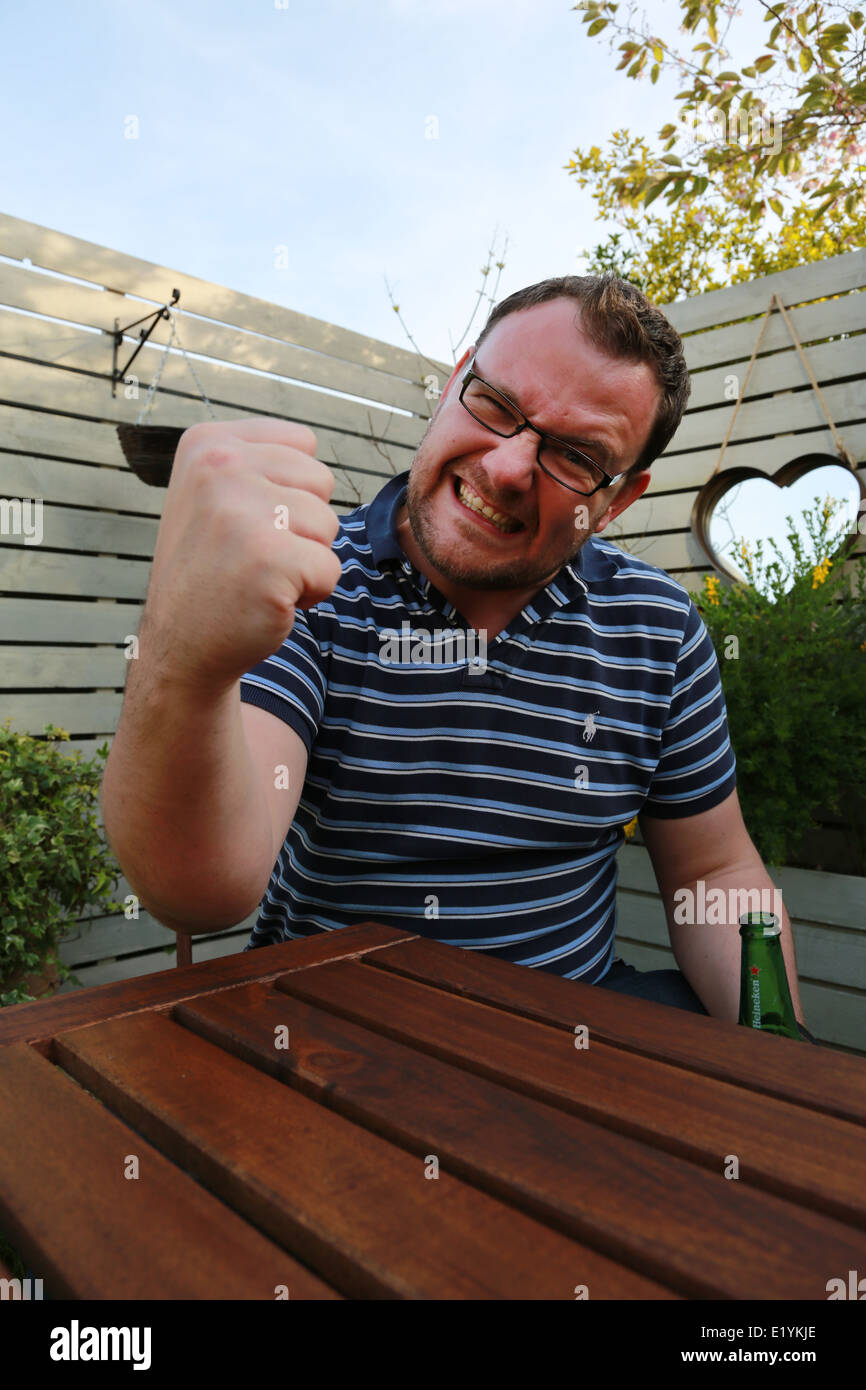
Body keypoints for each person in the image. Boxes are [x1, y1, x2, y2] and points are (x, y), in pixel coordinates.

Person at [101, 274, 815, 1038]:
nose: (508, 468)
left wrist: (779, 1054)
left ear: (616, 501)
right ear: (454, 381)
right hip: (326, 1053)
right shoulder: (312, 581)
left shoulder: (658, 628)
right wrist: (182, 652)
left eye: (575, 456)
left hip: (569, 1059)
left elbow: (715, 874)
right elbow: (199, 887)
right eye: (497, 405)